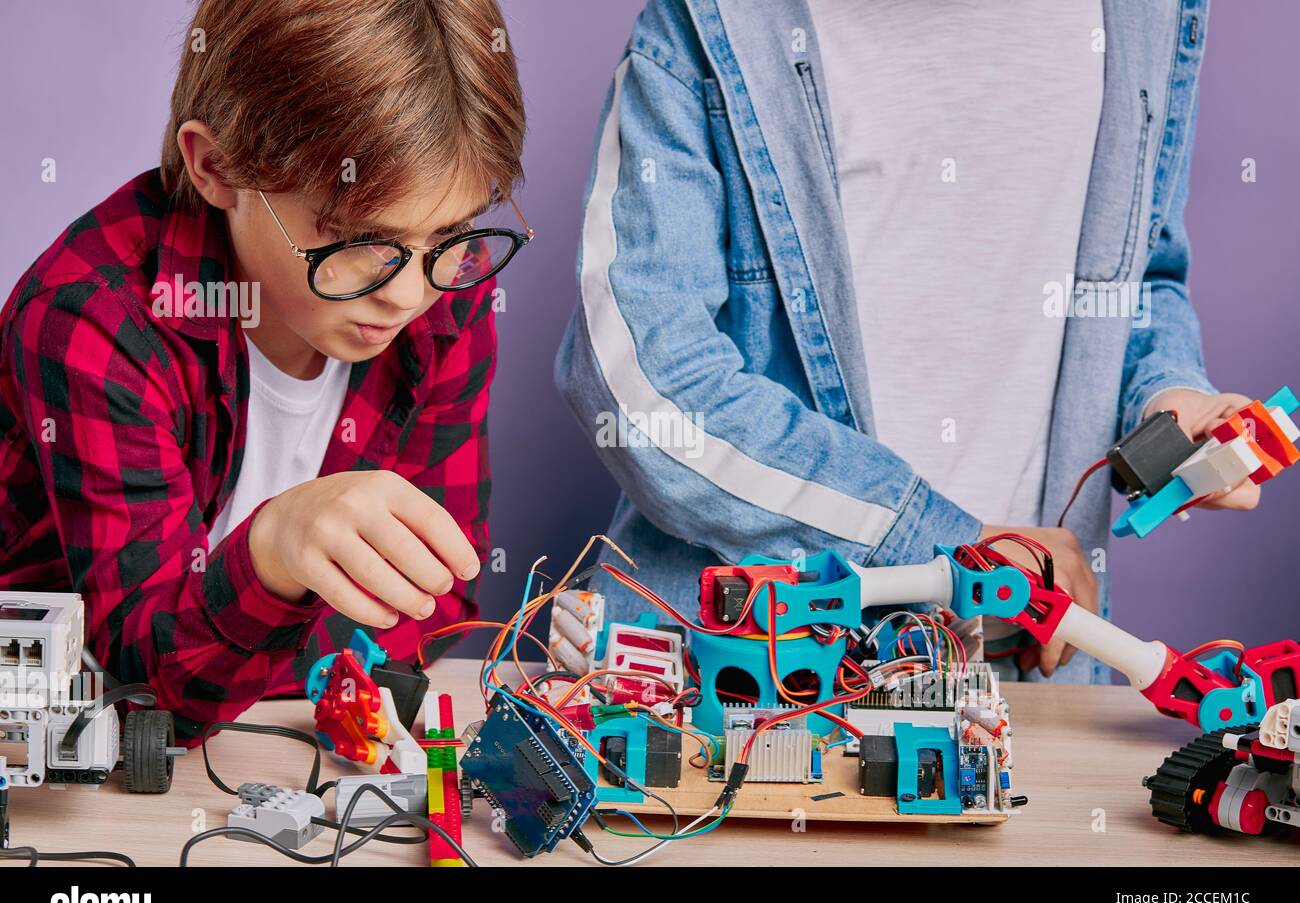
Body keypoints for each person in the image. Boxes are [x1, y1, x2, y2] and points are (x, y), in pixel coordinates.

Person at [556, 0, 1260, 682]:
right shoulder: (708, 22)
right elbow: (640, 382)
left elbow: (1138, 275)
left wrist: (1165, 392)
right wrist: (943, 551)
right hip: (760, 673)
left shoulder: (1150, 14)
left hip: (1027, 661)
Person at [0, 0, 528, 742]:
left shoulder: (445, 293)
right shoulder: (91, 318)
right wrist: (274, 552)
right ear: (216, 166)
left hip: (280, 751)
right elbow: (147, 699)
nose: (407, 294)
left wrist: (247, 646)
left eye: (450, 233)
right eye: (360, 240)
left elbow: (435, 605)